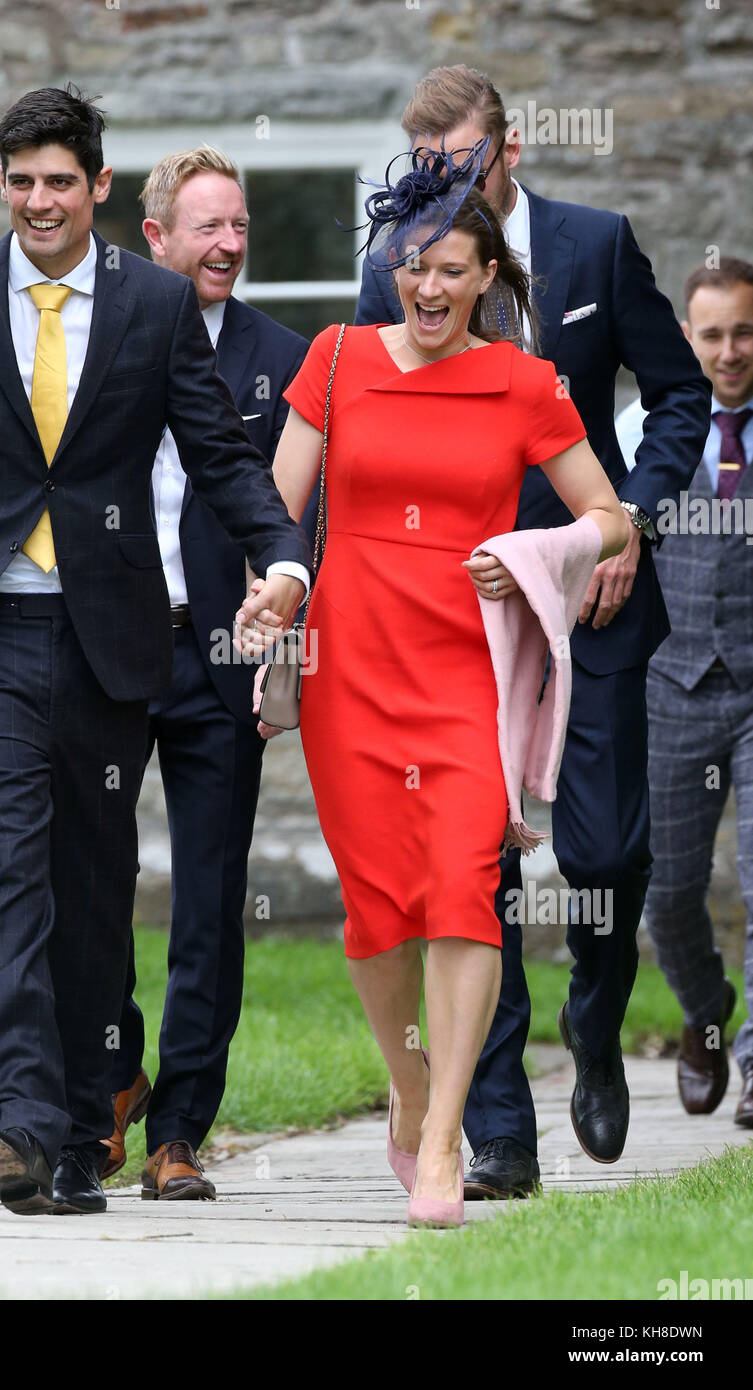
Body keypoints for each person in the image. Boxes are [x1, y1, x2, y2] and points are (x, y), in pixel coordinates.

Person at [0, 86, 310, 1217]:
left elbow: (223, 455)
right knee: (8, 872)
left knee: (91, 889)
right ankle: (19, 1126)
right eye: (20, 181)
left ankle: (88, 1122)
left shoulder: (151, 306)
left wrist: (281, 557)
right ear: (4, 186)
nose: (39, 200)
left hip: (109, 640)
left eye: (59, 182)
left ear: (96, 189)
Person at [238, 141, 627, 1226]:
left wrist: (535, 554)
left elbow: (608, 516)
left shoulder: (522, 381)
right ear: (391, 266)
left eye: (452, 267)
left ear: (486, 278)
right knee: (373, 908)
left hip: (464, 667)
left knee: (461, 889)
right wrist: (273, 588)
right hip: (347, 665)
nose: (427, 285)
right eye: (412, 264)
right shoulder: (335, 358)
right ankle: (406, 1089)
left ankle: (448, 1132)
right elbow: (279, 509)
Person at [356, 65, 710, 1195]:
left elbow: (677, 392)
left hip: (588, 594)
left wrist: (629, 527)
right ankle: (495, 1125)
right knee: (471, 871)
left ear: (506, 152)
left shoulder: (596, 246)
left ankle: (595, 1020)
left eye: (455, 162)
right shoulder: (392, 270)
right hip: (459, 614)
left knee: (604, 854)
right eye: (423, 169)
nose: (439, 184)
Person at [99, 147, 308, 1200]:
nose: (228, 243)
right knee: (82, 878)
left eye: (238, 226)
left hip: (230, 653)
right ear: (156, 238)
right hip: (112, 641)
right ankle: (114, 1070)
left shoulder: (287, 356)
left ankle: (178, 1130)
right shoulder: (104, 334)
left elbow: (303, 521)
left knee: (209, 900)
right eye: (207, 227)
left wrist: (287, 660)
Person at [616, 257, 753, 1128]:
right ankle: (705, 1011)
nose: (730, 351)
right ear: (685, 340)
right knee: (665, 891)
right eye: (712, 334)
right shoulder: (641, 432)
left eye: (744, 331)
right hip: (671, 683)